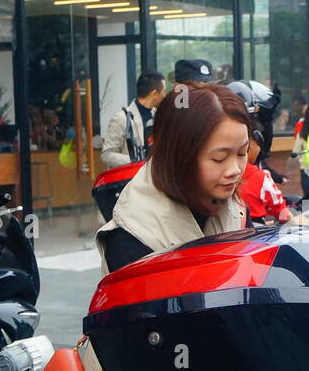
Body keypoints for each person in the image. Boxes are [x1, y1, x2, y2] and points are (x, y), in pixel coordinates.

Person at [94, 82, 250, 273]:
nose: (235, 169)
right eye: (219, 158)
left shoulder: (235, 207)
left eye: (242, 153)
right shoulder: (132, 239)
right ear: (178, 156)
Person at [101, 71, 165, 167]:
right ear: (154, 93)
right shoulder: (121, 118)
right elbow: (107, 155)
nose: (165, 95)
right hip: (130, 179)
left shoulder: (159, 117)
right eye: (164, 91)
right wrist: (137, 160)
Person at [239, 129, 291, 224]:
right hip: (253, 234)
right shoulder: (260, 176)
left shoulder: (222, 174)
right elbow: (281, 213)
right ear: (250, 146)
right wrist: (298, 221)